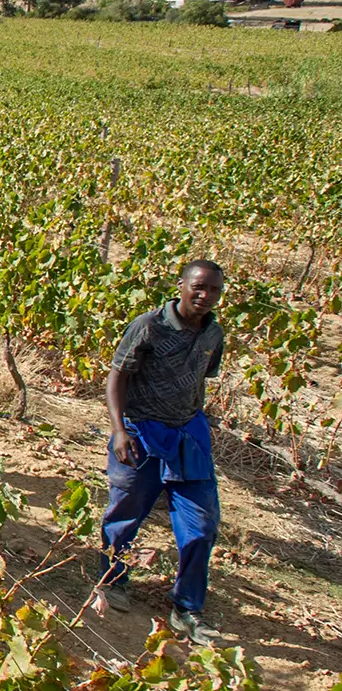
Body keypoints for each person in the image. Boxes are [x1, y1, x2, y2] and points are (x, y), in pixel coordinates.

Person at [97, 260, 226, 645]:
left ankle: (187, 608)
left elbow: (202, 380)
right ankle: (112, 580)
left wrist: (198, 425)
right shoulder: (149, 325)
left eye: (214, 291)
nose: (204, 297)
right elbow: (117, 376)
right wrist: (120, 431)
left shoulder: (214, 333)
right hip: (141, 430)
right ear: (181, 286)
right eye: (198, 288)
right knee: (126, 511)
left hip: (187, 434)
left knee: (202, 525)